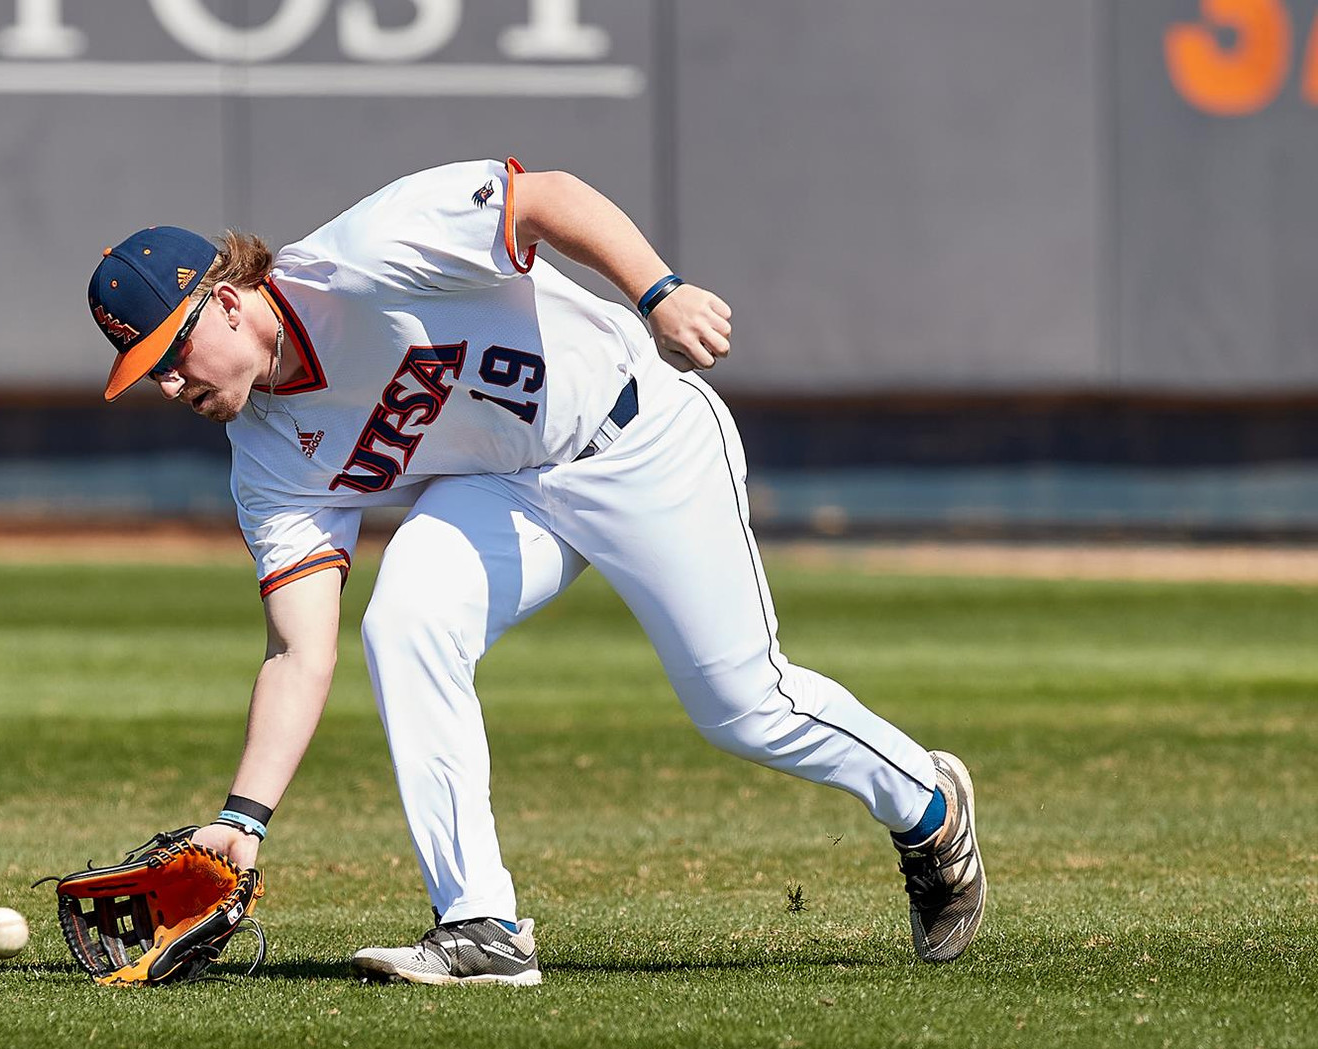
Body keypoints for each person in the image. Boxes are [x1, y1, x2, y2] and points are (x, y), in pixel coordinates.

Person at [84, 158, 984, 985]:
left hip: (640, 438)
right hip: (506, 488)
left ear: (230, 300)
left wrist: (657, 289)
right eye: (146, 370)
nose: (168, 385)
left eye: (170, 352)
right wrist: (241, 820)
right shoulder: (268, 460)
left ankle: (926, 803)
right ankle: (481, 924)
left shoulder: (366, 256)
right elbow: (297, 652)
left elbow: (543, 198)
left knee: (744, 705)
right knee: (403, 625)